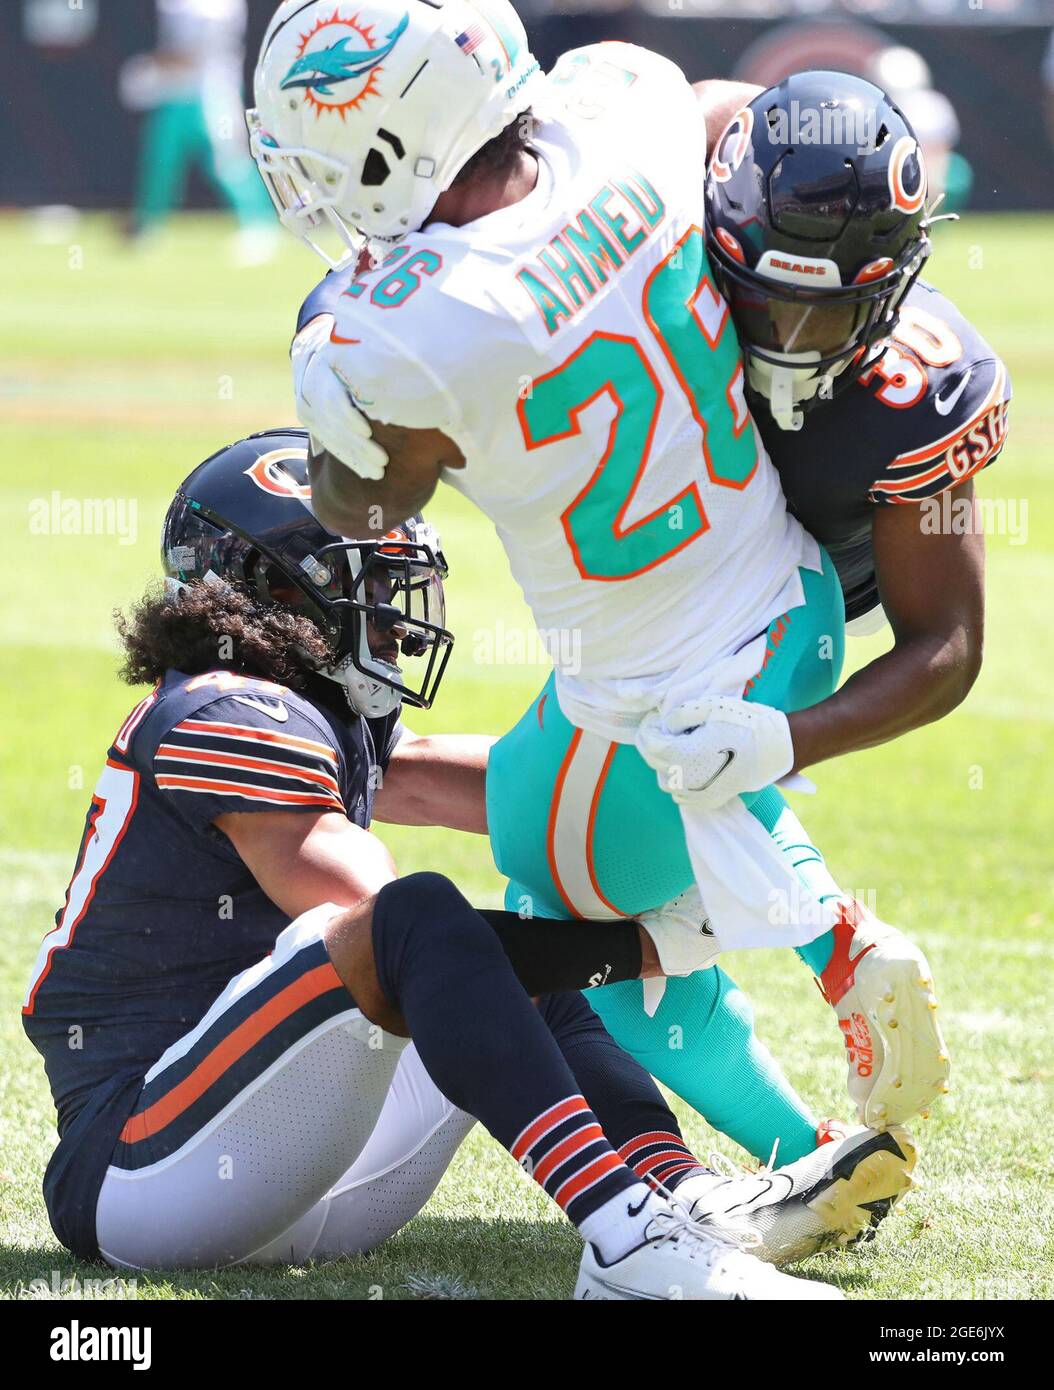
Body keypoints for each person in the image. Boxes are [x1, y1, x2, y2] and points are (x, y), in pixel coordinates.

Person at [249, 6, 948, 1135]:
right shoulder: (620, 106)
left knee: (561, 905)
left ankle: (806, 1125)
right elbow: (738, 125)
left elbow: (367, 501)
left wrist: (324, 376)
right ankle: (811, 931)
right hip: (800, 611)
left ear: (396, 135)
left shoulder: (409, 333)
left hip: (652, 696)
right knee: (562, 786)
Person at [23, 430, 859, 1300]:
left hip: (294, 1172)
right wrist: (643, 946)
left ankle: (677, 1199)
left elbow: (503, 796)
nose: (392, 607)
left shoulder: (315, 715)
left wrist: (668, 786)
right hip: (143, 1164)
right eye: (371, 579)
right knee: (426, 919)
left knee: (508, 942)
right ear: (275, 587)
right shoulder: (225, 709)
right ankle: (625, 1245)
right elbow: (394, 930)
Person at [121, 0, 276, 263]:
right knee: (160, 162)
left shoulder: (215, 7)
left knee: (227, 162)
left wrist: (151, 65)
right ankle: (146, 226)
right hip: (173, 91)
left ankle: (259, 226)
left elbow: (194, 52)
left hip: (212, 91)